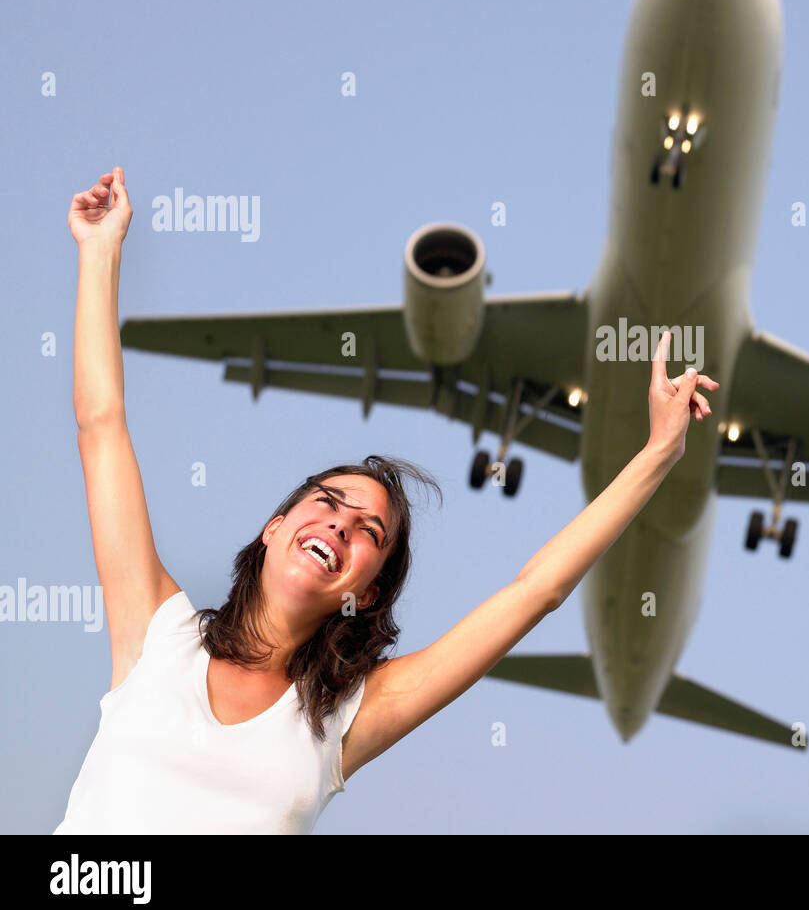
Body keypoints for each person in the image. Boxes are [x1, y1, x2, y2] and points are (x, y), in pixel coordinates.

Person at [56, 166, 718, 834]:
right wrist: (101, 249)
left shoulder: (342, 718)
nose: (339, 523)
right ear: (274, 526)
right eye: (327, 500)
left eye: (369, 529)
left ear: (367, 592)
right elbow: (101, 423)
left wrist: (658, 452)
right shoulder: (156, 636)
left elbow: (534, 591)